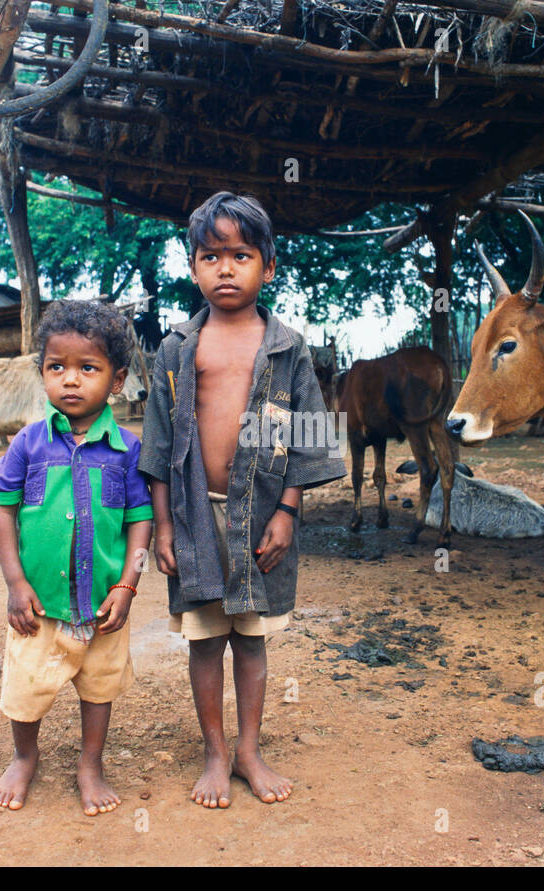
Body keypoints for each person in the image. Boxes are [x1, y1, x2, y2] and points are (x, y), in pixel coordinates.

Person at [138, 192, 346, 808]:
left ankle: (250, 750)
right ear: (194, 267)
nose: (226, 268)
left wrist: (287, 512)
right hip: (196, 516)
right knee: (205, 639)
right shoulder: (177, 349)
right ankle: (214, 752)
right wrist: (165, 529)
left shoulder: (287, 347)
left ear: (268, 267)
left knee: (250, 638)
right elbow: (155, 443)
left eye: (241, 254)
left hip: (260, 517)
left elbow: (308, 435)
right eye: (211, 256)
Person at [0, 300, 153, 814]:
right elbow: (1, 509)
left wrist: (127, 586)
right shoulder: (28, 444)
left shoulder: (128, 451)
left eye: (88, 368)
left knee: (98, 686)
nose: (70, 381)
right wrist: (15, 583)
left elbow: (140, 523)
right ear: (42, 374)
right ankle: (24, 756)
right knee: (26, 685)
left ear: (117, 379)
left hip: (104, 603)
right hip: (39, 603)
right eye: (57, 367)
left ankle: (90, 764)